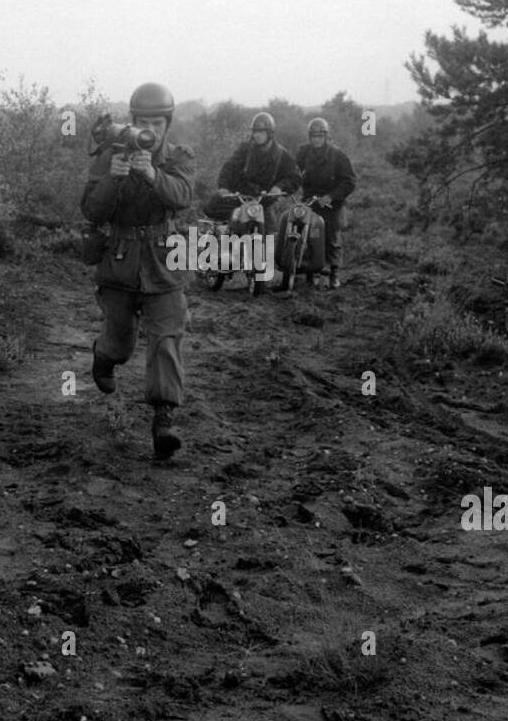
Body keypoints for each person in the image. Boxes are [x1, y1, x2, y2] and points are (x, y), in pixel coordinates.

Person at [81, 82, 196, 459]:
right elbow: (92, 211)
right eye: (142, 122)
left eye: (157, 123)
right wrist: (114, 178)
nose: (149, 130)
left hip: (165, 263)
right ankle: (105, 356)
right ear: (132, 122)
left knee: (166, 338)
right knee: (121, 335)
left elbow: (183, 197)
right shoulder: (111, 154)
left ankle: (164, 420)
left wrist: (152, 176)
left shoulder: (178, 156)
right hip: (119, 260)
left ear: (167, 123)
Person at [209, 112, 301, 295]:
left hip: (264, 201)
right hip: (240, 196)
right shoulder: (245, 149)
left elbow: (294, 176)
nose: (257, 135)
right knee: (230, 226)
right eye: (255, 131)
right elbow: (229, 167)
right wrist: (224, 188)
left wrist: (279, 187)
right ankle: (220, 257)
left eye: (261, 131)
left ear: (270, 133)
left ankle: (260, 271)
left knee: (270, 237)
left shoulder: (281, 154)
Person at [291, 116, 357, 289]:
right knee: (300, 230)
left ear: (326, 136)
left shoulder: (338, 155)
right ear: (309, 137)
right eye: (313, 136)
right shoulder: (304, 152)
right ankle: (306, 270)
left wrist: (331, 196)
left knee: (330, 235)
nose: (316, 140)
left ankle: (334, 273)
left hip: (331, 202)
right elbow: (294, 172)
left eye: (320, 136)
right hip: (310, 199)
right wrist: (289, 185)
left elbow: (350, 181)